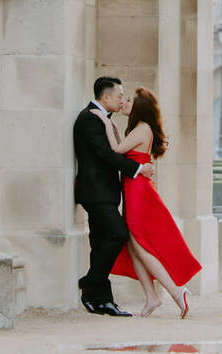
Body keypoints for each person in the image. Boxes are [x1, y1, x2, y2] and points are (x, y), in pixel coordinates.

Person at [107, 86, 201, 318]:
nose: (125, 103)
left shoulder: (142, 129)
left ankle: (176, 291)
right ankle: (152, 297)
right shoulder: (139, 129)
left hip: (137, 190)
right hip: (133, 188)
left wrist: (106, 122)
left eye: (129, 100)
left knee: (140, 244)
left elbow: (117, 150)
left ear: (139, 107)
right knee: (132, 246)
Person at [73, 75, 154, 317]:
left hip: (105, 191)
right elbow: (105, 155)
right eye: (119, 96)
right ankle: (90, 283)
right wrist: (139, 170)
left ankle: (102, 300)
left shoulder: (103, 120)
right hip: (95, 192)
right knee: (118, 234)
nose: (122, 100)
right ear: (105, 97)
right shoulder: (89, 119)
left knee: (99, 243)